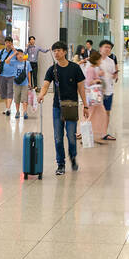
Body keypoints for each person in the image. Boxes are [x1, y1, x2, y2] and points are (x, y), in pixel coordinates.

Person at [37, 41, 86, 176]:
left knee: (71, 136)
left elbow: (81, 88)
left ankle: (73, 157)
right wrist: (41, 95)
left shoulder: (75, 68)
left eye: (58, 50)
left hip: (71, 106)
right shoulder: (52, 69)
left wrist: (85, 105)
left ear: (65, 52)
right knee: (58, 137)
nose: (56, 53)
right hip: (57, 107)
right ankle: (61, 164)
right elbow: (46, 85)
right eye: (54, 51)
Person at [82, 50, 110, 142]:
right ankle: (85, 135)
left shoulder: (93, 68)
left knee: (97, 115)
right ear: (96, 60)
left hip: (94, 97)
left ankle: (98, 133)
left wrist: (98, 77)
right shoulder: (90, 69)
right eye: (99, 60)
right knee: (93, 115)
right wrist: (97, 81)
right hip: (93, 97)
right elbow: (88, 82)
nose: (101, 61)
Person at [98, 40, 118, 141]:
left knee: (107, 112)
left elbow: (113, 75)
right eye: (105, 47)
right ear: (100, 48)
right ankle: (87, 132)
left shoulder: (111, 61)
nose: (107, 49)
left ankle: (104, 133)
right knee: (94, 112)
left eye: (109, 48)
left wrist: (115, 75)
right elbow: (87, 75)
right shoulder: (94, 60)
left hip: (108, 90)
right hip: (96, 92)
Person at [7, 48, 32, 119]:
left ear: (23, 54)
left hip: (25, 83)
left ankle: (25, 112)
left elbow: (29, 73)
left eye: (21, 54)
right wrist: (14, 54)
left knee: (25, 99)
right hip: (16, 83)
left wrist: (30, 83)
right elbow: (6, 61)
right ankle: (17, 111)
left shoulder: (27, 63)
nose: (20, 55)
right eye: (18, 54)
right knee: (17, 98)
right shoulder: (14, 62)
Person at [0, 36, 16, 115]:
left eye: (9, 42)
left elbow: (20, 58)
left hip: (12, 75)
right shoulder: (1, 51)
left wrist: (14, 49)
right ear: (4, 43)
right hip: (2, 75)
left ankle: (8, 108)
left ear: (12, 43)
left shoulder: (15, 52)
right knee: (3, 92)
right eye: (6, 42)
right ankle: (7, 107)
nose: (8, 44)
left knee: (10, 91)